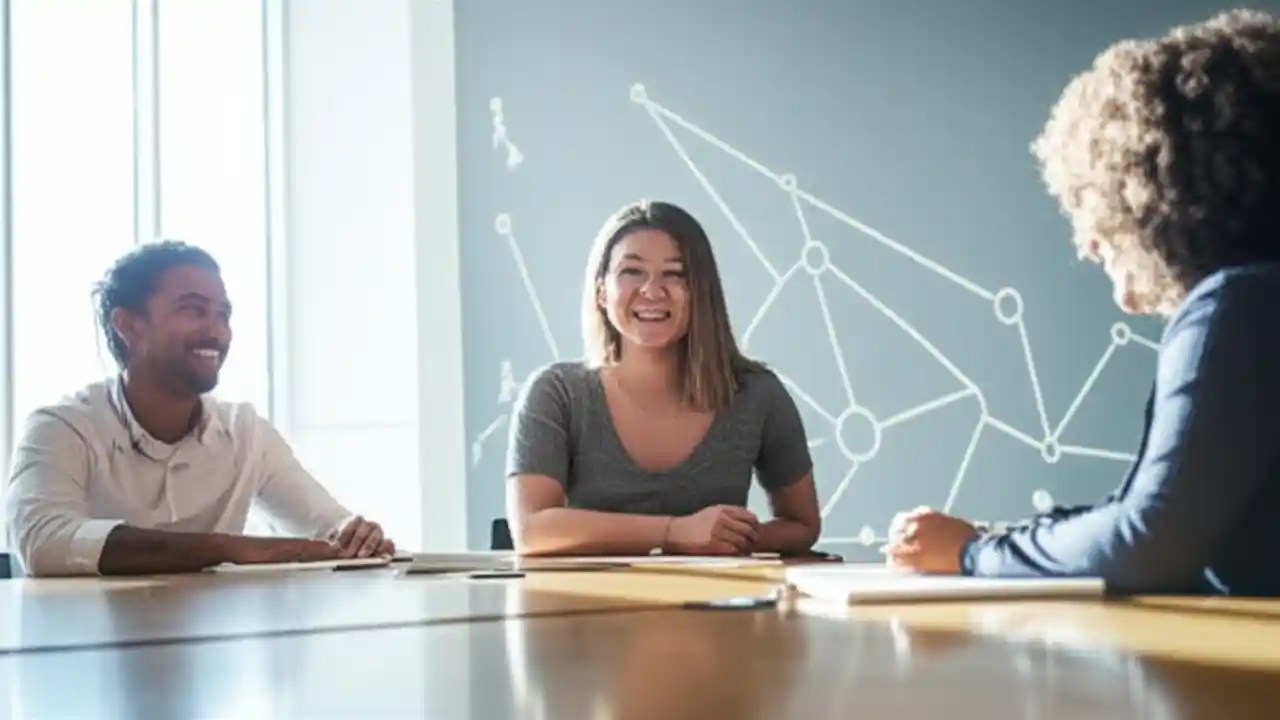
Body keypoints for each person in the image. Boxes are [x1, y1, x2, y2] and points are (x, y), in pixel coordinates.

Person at [884, 9, 1280, 595]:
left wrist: (972, 554)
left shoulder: (1238, 308)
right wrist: (1004, 540)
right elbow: (1157, 515)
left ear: (1150, 204)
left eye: (1105, 244)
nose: (1122, 295)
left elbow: (1148, 540)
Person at [5, 241, 395, 576]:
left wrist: (354, 535)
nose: (216, 331)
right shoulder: (60, 428)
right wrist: (227, 549)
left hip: (210, 649)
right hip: (81, 654)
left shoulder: (246, 432)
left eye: (223, 314)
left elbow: (329, 531)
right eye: (193, 310)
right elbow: (45, 542)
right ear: (128, 325)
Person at [505, 200, 821, 556]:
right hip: (584, 608)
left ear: (702, 292)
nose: (652, 290)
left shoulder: (757, 394)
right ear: (601, 291)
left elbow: (803, 525)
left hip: (716, 607)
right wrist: (674, 532)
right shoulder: (556, 392)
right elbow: (532, 532)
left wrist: (726, 538)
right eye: (632, 271)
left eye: (675, 273)